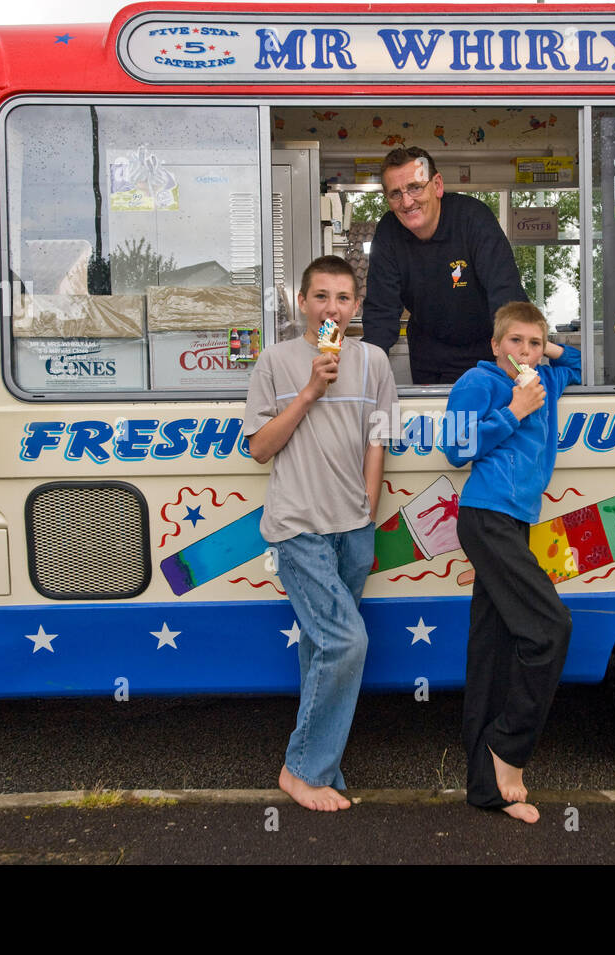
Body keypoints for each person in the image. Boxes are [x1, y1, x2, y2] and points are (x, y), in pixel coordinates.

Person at [243, 255, 397, 812]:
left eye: (343, 298)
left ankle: (320, 765)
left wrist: (368, 504)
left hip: (352, 528)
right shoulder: (276, 361)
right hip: (299, 527)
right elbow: (260, 448)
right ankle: (302, 769)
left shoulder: (374, 361)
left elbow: (378, 437)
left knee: (320, 648)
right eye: (321, 296)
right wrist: (309, 390)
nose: (332, 307)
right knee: (346, 641)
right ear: (302, 303)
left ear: (356, 306)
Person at [440, 301, 580, 823]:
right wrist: (515, 409)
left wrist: (549, 354)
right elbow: (454, 447)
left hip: (515, 522)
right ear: (495, 346)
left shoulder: (545, 377)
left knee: (493, 651)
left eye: (534, 343)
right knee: (550, 627)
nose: (524, 351)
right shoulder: (481, 384)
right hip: (486, 517)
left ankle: (486, 790)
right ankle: (508, 748)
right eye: (514, 342)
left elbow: (581, 366)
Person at [361, 146, 528, 385]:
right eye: (395, 194)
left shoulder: (473, 218)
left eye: (415, 187)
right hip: (429, 356)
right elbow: (381, 313)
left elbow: (505, 293)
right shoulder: (388, 232)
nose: (407, 202)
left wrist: (518, 354)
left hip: (486, 351)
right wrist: (365, 374)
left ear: (437, 185)